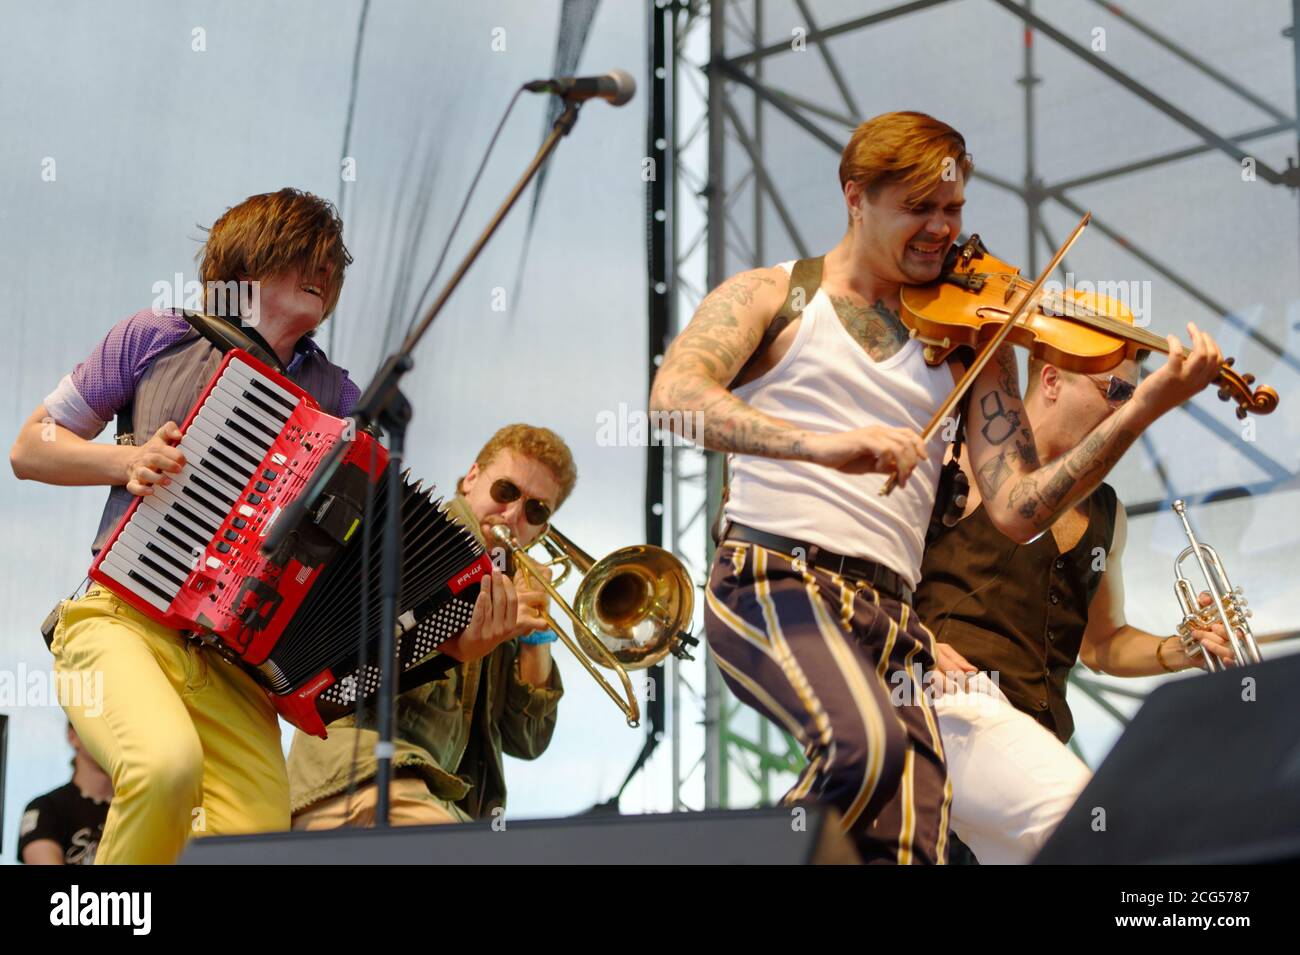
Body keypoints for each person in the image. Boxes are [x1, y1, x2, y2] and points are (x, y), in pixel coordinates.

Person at [648, 110, 1225, 863]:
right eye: (919, 208)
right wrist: (824, 445)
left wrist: (1142, 409)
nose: (943, 229)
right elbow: (675, 398)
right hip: (774, 578)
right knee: (868, 750)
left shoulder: (968, 344)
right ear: (856, 197)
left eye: (953, 209)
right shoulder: (775, 296)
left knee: (913, 836)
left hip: (894, 622)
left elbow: (1019, 508)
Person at [9, 189, 525, 862]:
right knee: (164, 766)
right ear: (246, 261)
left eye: (333, 263)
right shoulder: (156, 336)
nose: (324, 272)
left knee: (254, 839)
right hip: (120, 622)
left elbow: (363, 561)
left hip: (236, 669)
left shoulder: (338, 396)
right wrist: (125, 459)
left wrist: (448, 633)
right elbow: (29, 448)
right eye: (303, 253)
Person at [916, 351, 1236, 864]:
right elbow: (867, 572)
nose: (1126, 408)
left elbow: (1104, 644)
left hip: (1028, 742)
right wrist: (913, 637)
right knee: (1097, 831)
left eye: (1134, 395)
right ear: (1050, 381)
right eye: (1116, 391)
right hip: (946, 707)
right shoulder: (963, 463)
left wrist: (1180, 649)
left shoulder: (1107, 513)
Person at [286, 424, 571, 828]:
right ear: (472, 478)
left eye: (536, 510)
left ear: (543, 526)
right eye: (505, 491)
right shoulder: (412, 534)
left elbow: (527, 741)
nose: (512, 514)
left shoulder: (504, 584)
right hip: (359, 779)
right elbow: (332, 671)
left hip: (440, 801)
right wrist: (454, 642)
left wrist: (537, 636)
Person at [19, 724, 113, 864]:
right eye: (102, 728)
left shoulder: (139, 810)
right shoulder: (44, 808)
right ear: (73, 736)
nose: (112, 738)